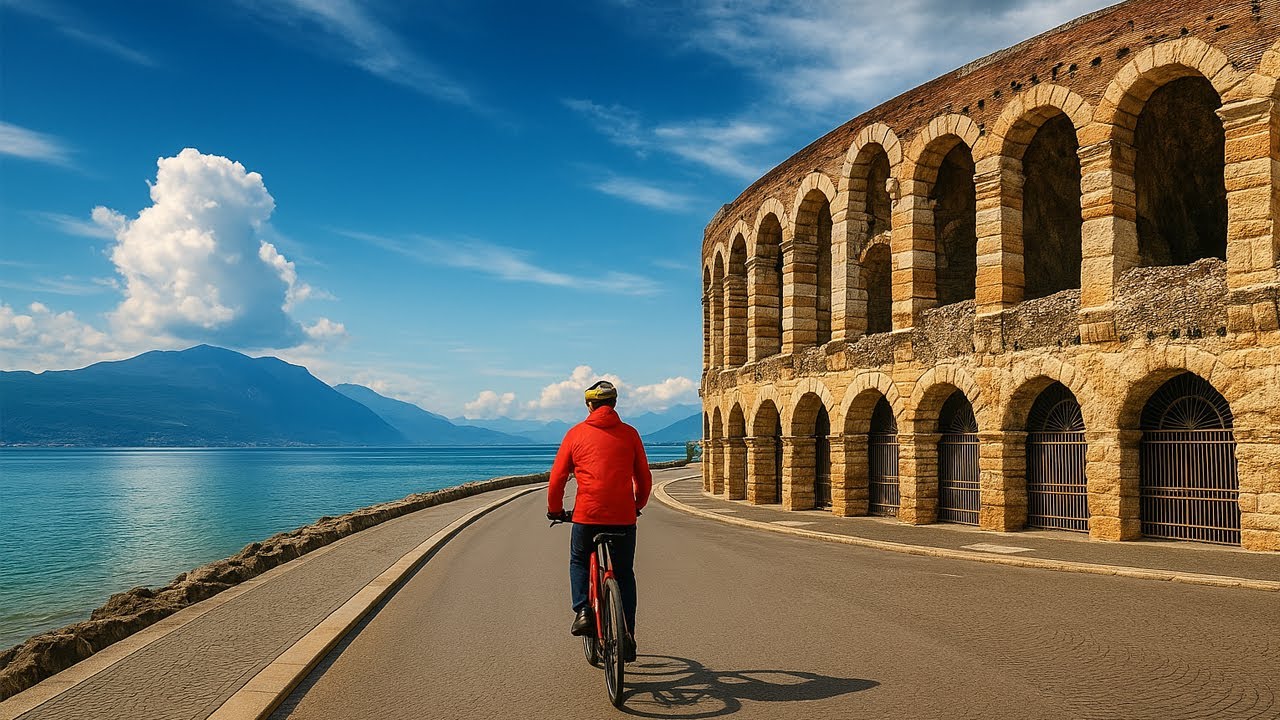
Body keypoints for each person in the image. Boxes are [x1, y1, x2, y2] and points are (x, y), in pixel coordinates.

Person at [547, 380, 652, 662]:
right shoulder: (630, 434)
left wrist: (555, 510)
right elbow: (643, 478)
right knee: (624, 573)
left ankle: (583, 611)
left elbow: (557, 478)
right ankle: (627, 634)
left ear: (589, 405)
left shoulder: (575, 434)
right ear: (614, 404)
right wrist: (637, 505)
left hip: (587, 515)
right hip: (623, 517)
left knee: (579, 560)